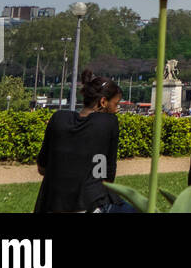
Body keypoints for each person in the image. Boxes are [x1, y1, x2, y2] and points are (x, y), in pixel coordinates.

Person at [34, 70, 124, 213]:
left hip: (51, 205)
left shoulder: (58, 118)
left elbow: (42, 168)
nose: (117, 109)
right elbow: (107, 179)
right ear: (103, 102)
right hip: (88, 204)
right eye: (115, 104)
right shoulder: (109, 122)